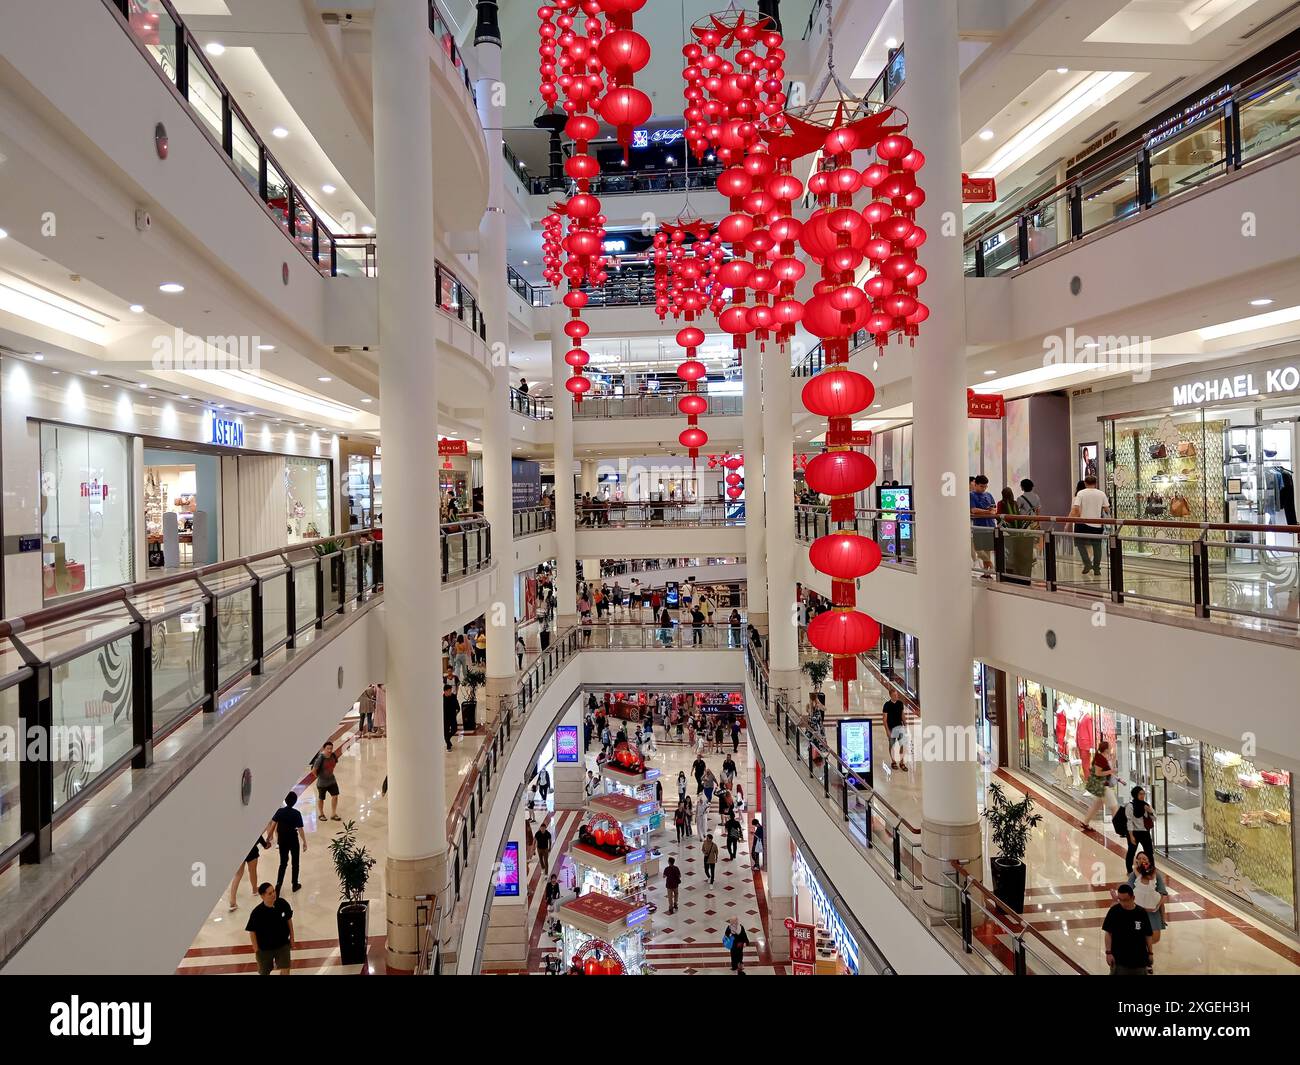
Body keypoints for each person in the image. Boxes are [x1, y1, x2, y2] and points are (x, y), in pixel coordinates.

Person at [1126, 853, 1168, 971]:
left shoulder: (1156, 875)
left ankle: (1144, 955)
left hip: (1153, 913)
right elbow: (1128, 892)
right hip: (1138, 912)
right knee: (1140, 936)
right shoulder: (1134, 875)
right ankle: (1145, 961)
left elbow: (1163, 894)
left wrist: (1156, 907)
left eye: (1144, 858)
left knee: (1155, 937)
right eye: (1138, 859)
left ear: (1149, 861)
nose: (1141, 860)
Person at [1103, 883, 1153, 976]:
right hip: (1119, 960)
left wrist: (1150, 953)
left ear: (1133, 898)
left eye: (1125, 900)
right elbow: (1108, 933)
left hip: (1139, 960)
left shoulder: (1141, 913)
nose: (1122, 903)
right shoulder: (1114, 911)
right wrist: (1108, 953)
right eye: (1120, 900)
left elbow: (1148, 934)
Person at [246, 882, 295, 976]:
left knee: (286, 970)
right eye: (270, 893)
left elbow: (289, 919)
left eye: (274, 891)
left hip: (283, 945)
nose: (273, 894)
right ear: (262, 896)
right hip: (265, 949)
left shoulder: (282, 903)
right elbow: (252, 931)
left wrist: (292, 937)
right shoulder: (257, 913)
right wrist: (256, 950)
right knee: (264, 972)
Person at [265, 791, 306, 895]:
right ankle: (295, 884)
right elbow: (300, 829)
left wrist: (268, 838)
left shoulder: (279, 812)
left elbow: (273, 826)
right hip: (293, 839)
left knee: (283, 863)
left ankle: (278, 885)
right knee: (295, 862)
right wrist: (304, 841)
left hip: (282, 840)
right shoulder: (296, 813)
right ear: (295, 801)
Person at [1069, 474, 1111, 576]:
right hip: (1097, 524)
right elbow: (1107, 509)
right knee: (1097, 547)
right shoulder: (1101, 494)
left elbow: (1075, 508)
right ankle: (1097, 568)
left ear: (1085, 483)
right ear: (1095, 483)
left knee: (1080, 544)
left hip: (1082, 523)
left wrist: (1070, 519)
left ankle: (1087, 563)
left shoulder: (1081, 493)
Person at [996, 485, 1034, 581]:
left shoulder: (1001, 503)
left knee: (1009, 551)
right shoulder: (1015, 503)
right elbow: (1017, 515)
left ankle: (1009, 571)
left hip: (1007, 532)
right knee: (1017, 549)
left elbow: (998, 515)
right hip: (1017, 530)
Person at [1080, 739, 1118, 829]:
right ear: (1106, 749)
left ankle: (1085, 822)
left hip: (1102, 786)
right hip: (1103, 787)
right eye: (1110, 747)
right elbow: (1098, 773)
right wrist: (1111, 771)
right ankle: (1119, 828)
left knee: (1096, 806)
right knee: (1114, 807)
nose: (1111, 748)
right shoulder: (1100, 759)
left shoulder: (1103, 757)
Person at [229, 836, 269, 912]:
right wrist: (264, 844)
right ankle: (254, 890)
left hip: (237, 848)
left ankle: (232, 901)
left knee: (238, 875)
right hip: (251, 849)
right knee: (252, 871)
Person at [1124, 785, 1156, 874]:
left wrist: (1150, 812)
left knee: (1149, 852)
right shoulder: (1130, 806)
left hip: (1145, 832)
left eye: (1143, 794)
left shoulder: (1146, 805)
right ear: (1135, 795)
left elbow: (1155, 818)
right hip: (1134, 832)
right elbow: (1129, 821)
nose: (1142, 796)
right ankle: (1129, 870)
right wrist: (1131, 835)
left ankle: (1151, 869)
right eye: (1140, 794)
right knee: (1131, 851)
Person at [969, 474, 997, 577]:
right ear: (975, 485)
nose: (984, 488)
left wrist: (991, 512)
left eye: (985, 486)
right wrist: (987, 512)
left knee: (987, 549)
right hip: (979, 526)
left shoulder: (988, 495)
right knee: (978, 549)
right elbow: (973, 510)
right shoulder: (971, 495)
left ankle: (987, 573)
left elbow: (994, 509)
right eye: (981, 486)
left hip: (989, 525)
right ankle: (990, 563)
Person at [310, 740, 342, 822]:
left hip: (332, 780)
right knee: (321, 798)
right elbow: (314, 770)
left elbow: (334, 764)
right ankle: (321, 814)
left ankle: (333, 814)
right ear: (324, 749)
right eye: (328, 748)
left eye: (331, 748)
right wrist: (319, 776)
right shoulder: (320, 758)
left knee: (335, 796)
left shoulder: (333, 755)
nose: (330, 750)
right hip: (322, 783)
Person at [883, 688, 909, 771]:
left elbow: (902, 715)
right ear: (890, 695)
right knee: (892, 745)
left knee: (902, 745)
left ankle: (902, 762)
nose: (896, 696)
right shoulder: (887, 705)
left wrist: (905, 724)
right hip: (891, 728)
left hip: (900, 727)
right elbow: (884, 719)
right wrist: (887, 731)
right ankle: (893, 761)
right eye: (894, 695)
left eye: (897, 695)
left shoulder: (900, 703)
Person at [443, 679, 459, 752]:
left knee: (454, 729)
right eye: (449, 691)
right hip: (445, 718)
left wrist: (457, 710)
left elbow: (457, 706)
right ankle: (448, 745)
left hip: (452, 717)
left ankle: (448, 739)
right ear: (445, 691)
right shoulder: (442, 699)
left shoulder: (453, 697)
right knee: (446, 732)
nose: (450, 692)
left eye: (451, 690)